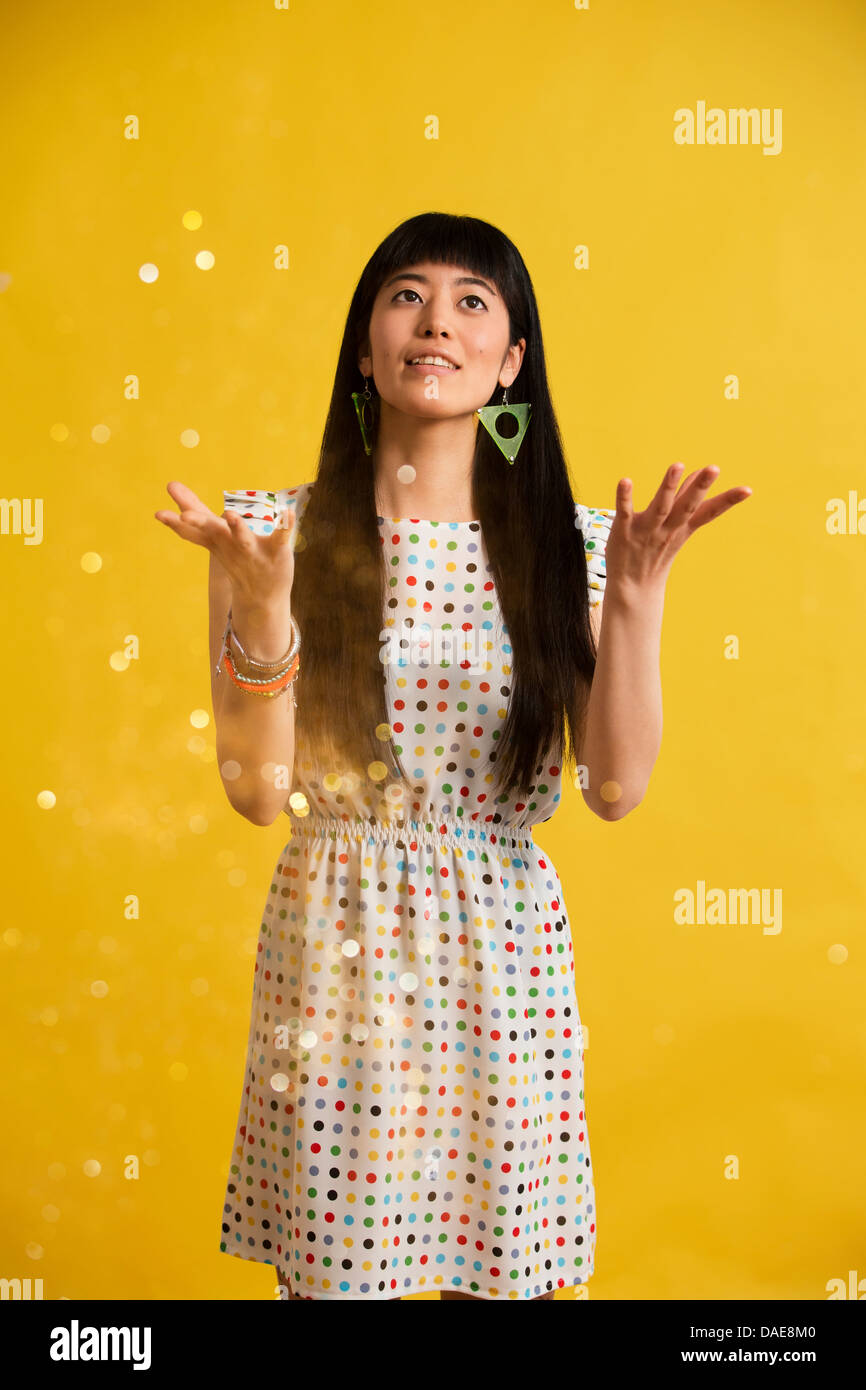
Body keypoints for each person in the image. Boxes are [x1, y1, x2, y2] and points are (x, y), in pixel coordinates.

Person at [155, 211, 751, 1302]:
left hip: (503, 960)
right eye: (405, 294)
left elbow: (612, 790)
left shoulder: (567, 545)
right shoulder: (265, 533)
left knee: (500, 1278)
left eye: (472, 301)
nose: (436, 322)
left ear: (510, 358)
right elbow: (257, 793)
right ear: (364, 340)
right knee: (338, 1280)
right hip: (337, 947)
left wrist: (632, 601)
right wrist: (265, 611)